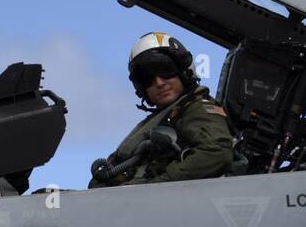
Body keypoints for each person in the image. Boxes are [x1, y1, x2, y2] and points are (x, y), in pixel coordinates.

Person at [89, 32, 234, 187]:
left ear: (184, 71)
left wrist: (155, 187)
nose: (159, 83)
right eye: (148, 78)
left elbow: (217, 152)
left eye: (165, 70)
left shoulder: (197, 107)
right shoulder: (162, 118)